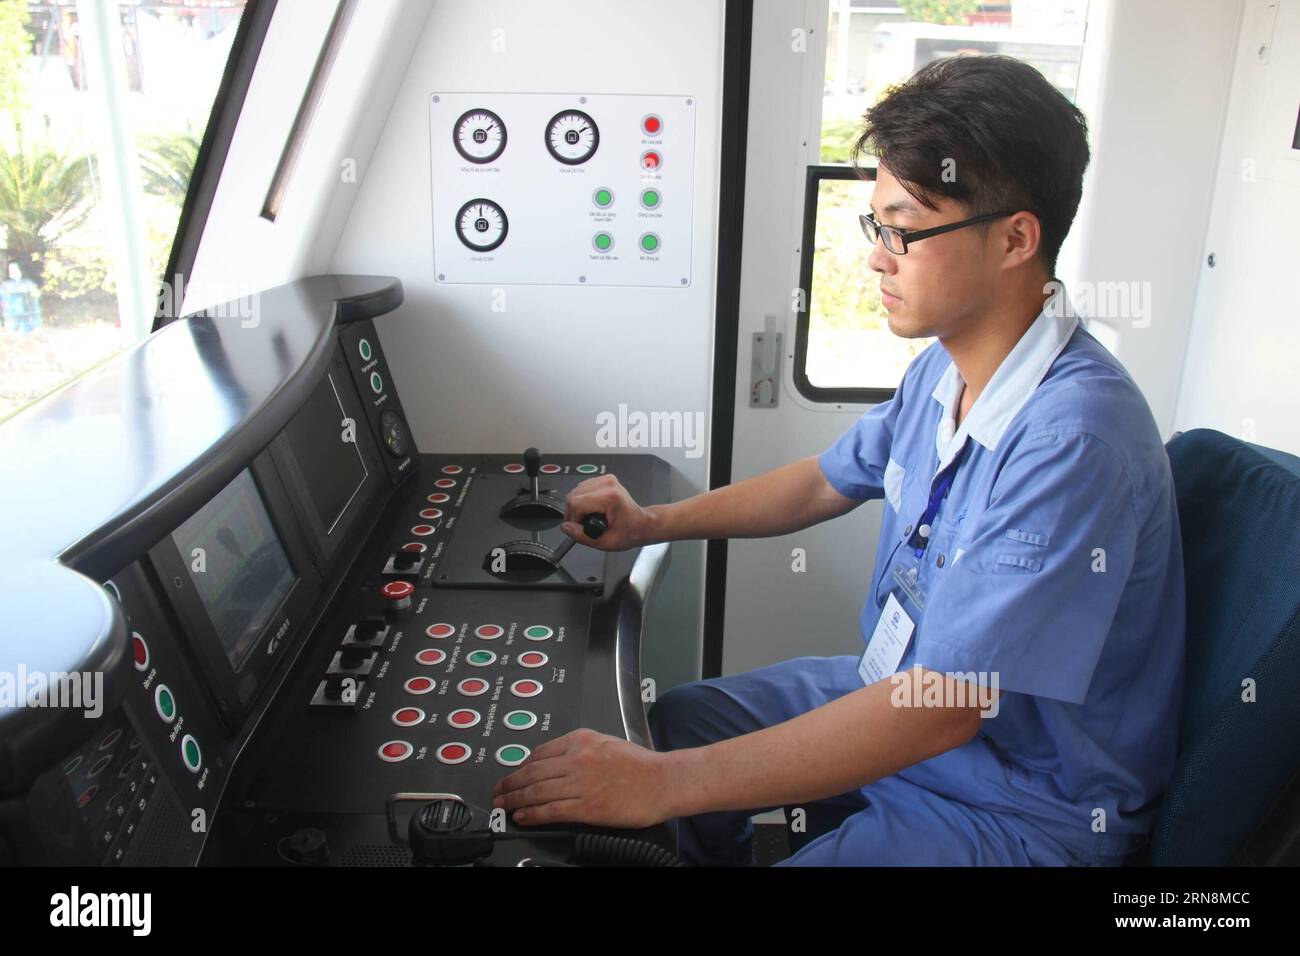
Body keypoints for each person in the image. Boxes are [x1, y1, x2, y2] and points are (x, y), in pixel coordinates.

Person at [492, 54, 1185, 866]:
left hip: (1021, 799)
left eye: (903, 230)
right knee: (678, 722)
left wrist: (666, 785)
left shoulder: (1073, 441)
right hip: (904, 698)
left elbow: (945, 708)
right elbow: (825, 481)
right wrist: (655, 523)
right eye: (875, 227)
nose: (877, 258)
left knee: (669, 769)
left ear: (1015, 240)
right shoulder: (947, 365)